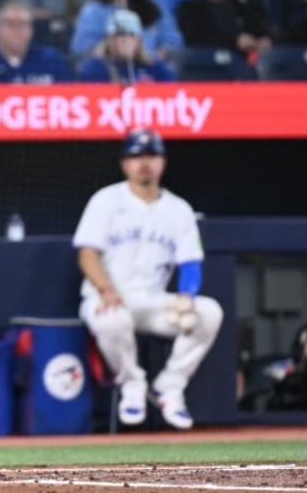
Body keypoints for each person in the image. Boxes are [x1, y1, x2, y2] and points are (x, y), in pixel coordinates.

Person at [74, 128, 222, 431]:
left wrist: (187, 294)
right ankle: (132, 384)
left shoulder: (178, 209)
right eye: (136, 156)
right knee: (111, 319)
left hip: (154, 302)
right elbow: (87, 254)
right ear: (124, 163)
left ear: (162, 161)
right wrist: (105, 289)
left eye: (151, 155)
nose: (144, 163)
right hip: (108, 298)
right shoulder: (106, 200)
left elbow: (190, 261)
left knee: (209, 313)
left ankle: (169, 387)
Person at [0, 0, 73, 84]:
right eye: (10, 23)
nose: (16, 29)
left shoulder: (51, 60)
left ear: (31, 30)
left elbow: (71, 92)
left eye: (22, 24)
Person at [77, 9, 178, 84]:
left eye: (131, 34)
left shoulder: (156, 68)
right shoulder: (94, 69)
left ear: (139, 40)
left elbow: (174, 95)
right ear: (108, 39)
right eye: (120, 34)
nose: (126, 39)